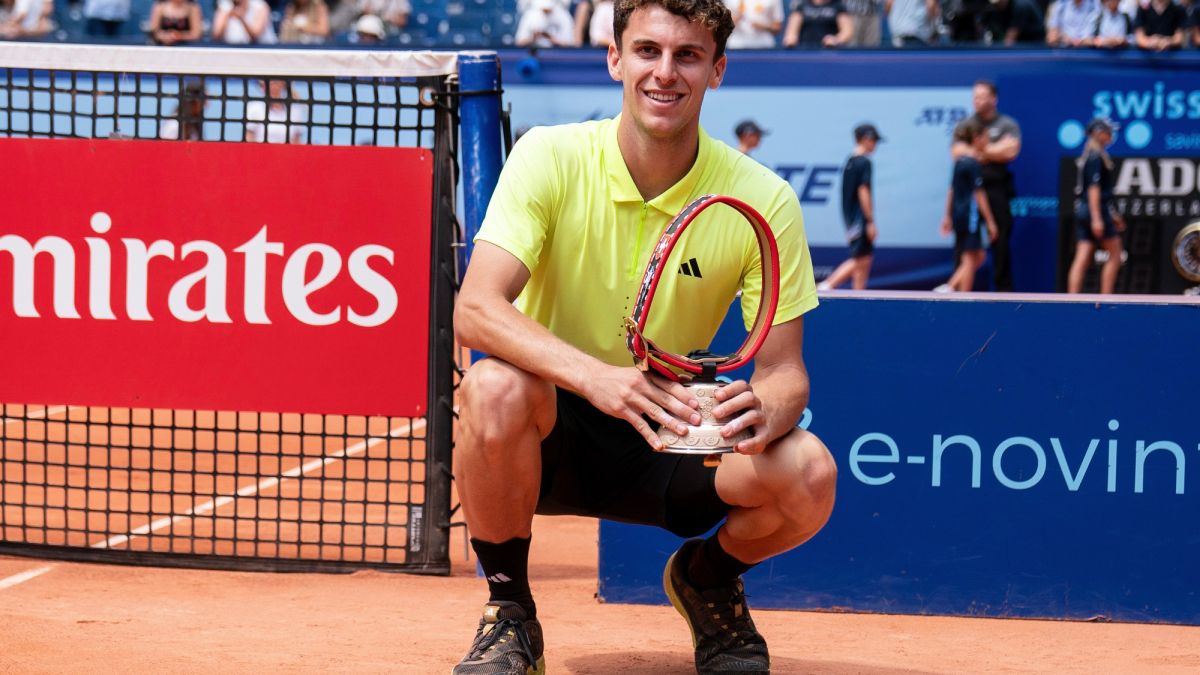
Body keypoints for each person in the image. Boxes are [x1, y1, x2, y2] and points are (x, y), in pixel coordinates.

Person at [451, 1, 836, 673]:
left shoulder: (764, 198)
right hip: (553, 429)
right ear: (615, 59)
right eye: (648, 51)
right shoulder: (549, 155)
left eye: (688, 55)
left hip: (675, 430)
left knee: (810, 472)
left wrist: (765, 409)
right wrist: (597, 377)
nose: (665, 72)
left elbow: (785, 370)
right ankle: (510, 613)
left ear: (717, 70)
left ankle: (707, 579)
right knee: (490, 386)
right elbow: (476, 309)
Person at [955, 80, 1021, 292]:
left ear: (994, 99)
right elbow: (956, 153)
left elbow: (1011, 151)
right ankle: (958, 293)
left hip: (996, 189)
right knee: (965, 244)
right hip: (968, 194)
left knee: (1000, 241)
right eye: (975, 96)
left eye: (983, 96)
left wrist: (976, 151)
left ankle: (1003, 293)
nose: (978, 101)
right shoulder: (965, 124)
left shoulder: (1007, 124)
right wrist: (993, 150)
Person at [819, 123, 881, 291]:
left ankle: (858, 294)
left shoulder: (850, 161)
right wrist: (870, 221)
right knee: (861, 259)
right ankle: (828, 285)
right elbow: (863, 191)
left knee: (864, 259)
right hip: (860, 219)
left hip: (850, 219)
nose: (875, 144)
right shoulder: (864, 162)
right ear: (866, 139)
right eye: (874, 140)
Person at [938, 119, 998, 293]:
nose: (987, 141)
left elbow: (951, 190)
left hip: (958, 215)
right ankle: (957, 294)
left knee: (977, 255)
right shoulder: (972, 163)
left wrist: (947, 215)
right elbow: (978, 194)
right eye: (985, 137)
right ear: (976, 137)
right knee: (970, 258)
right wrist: (990, 221)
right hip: (970, 216)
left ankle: (950, 287)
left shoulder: (959, 161)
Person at [1067, 117, 1125, 294]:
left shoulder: (1091, 156)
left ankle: (1071, 299)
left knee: (1083, 255)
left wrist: (1112, 215)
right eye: (1108, 131)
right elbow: (1093, 189)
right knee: (1115, 254)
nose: (1111, 135)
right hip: (1094, 211)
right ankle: (1106, 298)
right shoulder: (1095, 157)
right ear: (1099, 133)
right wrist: (1097, 218)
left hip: (1085, 210)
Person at [245, 79, 307, 144]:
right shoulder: (255, 108)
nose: (265, 87)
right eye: (261, 85)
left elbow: (297, 141)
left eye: (272, 83)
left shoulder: (295, 110)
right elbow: (249, 138)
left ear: (282, 84)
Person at [783, 0, 853, 46]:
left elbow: (846, 32)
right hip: (805, 51)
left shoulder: (838, 6)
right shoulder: (802, 5)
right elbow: (792, 30)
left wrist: (836, 40)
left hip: (830, 53)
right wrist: (791, 39)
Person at [212, 0, 278, 44]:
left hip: (263, 52)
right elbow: (216, 36)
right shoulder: (225, 6)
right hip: (234, 54)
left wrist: (242, 19)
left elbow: (255, 37)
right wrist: (226, 15)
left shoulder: (260, 6)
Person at [981, 0, 1046, 44]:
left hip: (1036, 47)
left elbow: (1009, 41)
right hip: (1021, 46)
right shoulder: (998, 9)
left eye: (999, 2)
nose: (996, 6)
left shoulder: (1021, 6)